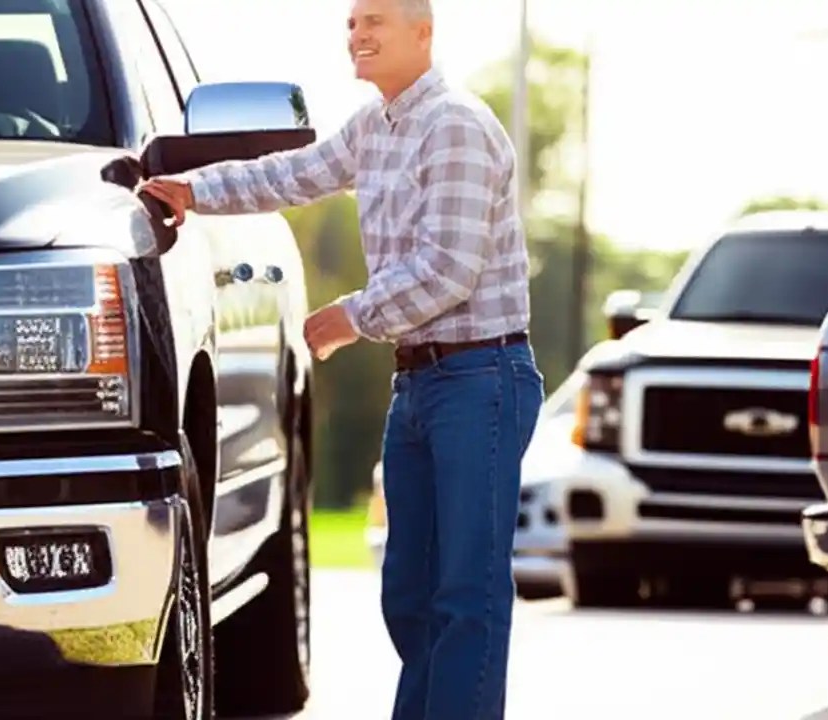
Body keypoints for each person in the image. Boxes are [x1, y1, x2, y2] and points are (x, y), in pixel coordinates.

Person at [139, 0, 544, 717]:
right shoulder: (376, 127)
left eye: (375, 21)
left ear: (423, 33)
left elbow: (448, 268)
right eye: (352, 23)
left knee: (466, 595)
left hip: (481, 380)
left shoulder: (454, 126)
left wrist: (349, 316)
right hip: (420, 384)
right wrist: (193, 193)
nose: (358, 34)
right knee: (410, 596)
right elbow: (290, 175)